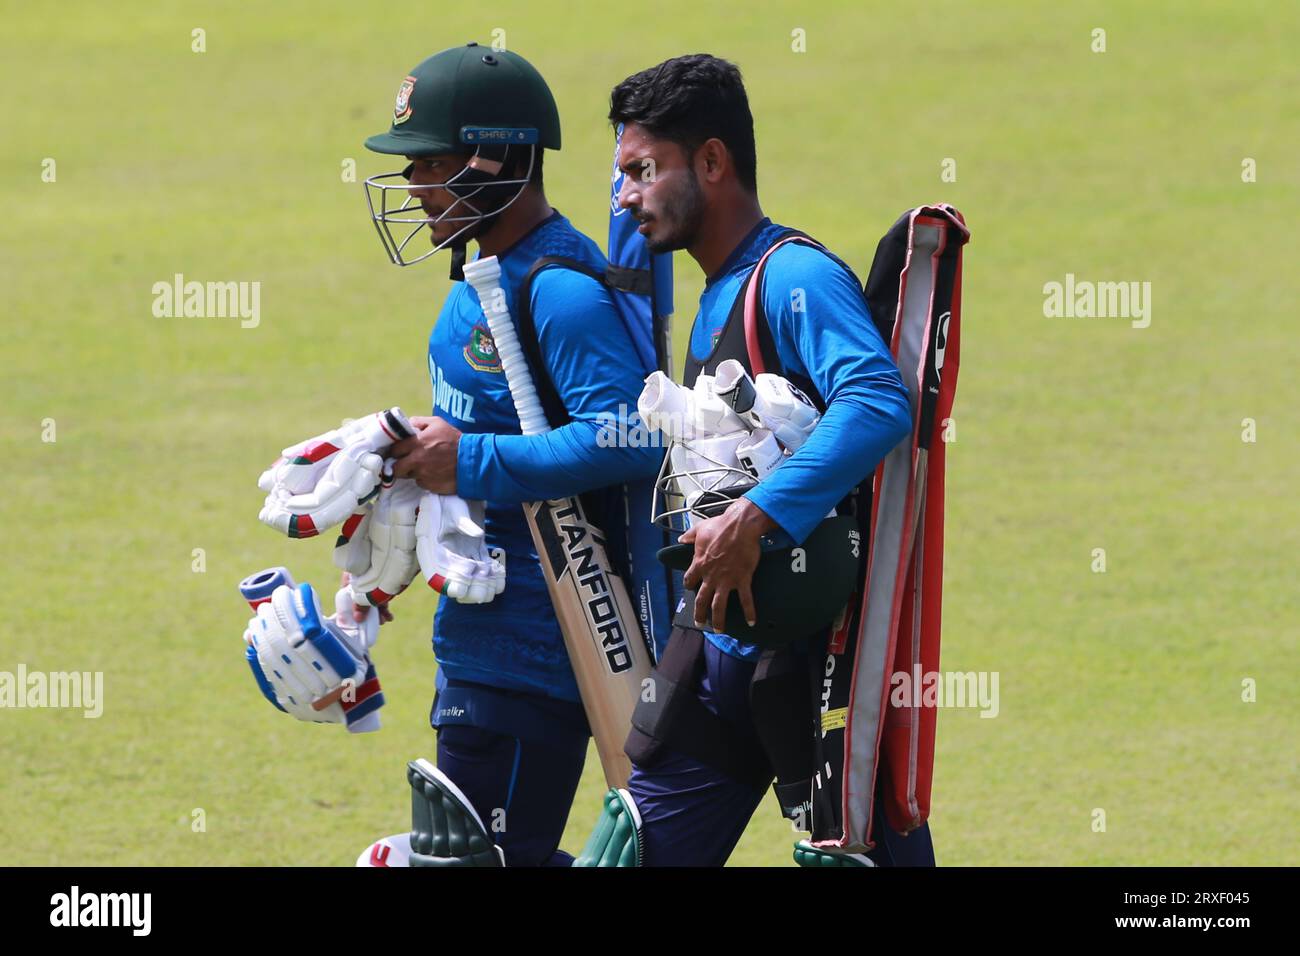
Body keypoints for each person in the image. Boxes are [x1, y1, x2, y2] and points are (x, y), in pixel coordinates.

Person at [593, 53, 935, 866]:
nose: (624, 195)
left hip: (809, 664)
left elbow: (878, 401)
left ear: (712, 162)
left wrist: (759, 514)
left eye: (643, 170)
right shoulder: (713, 288)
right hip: (717, 650)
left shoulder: (794, 277)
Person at [359, 43, 665, 866]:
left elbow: (633, 438)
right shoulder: (476, 277)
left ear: (494, 160)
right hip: (474, 639)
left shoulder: (559, 291)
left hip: (541, 652)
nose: (415, 186)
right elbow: (465, 435)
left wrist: (472, 460)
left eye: (429, 164)